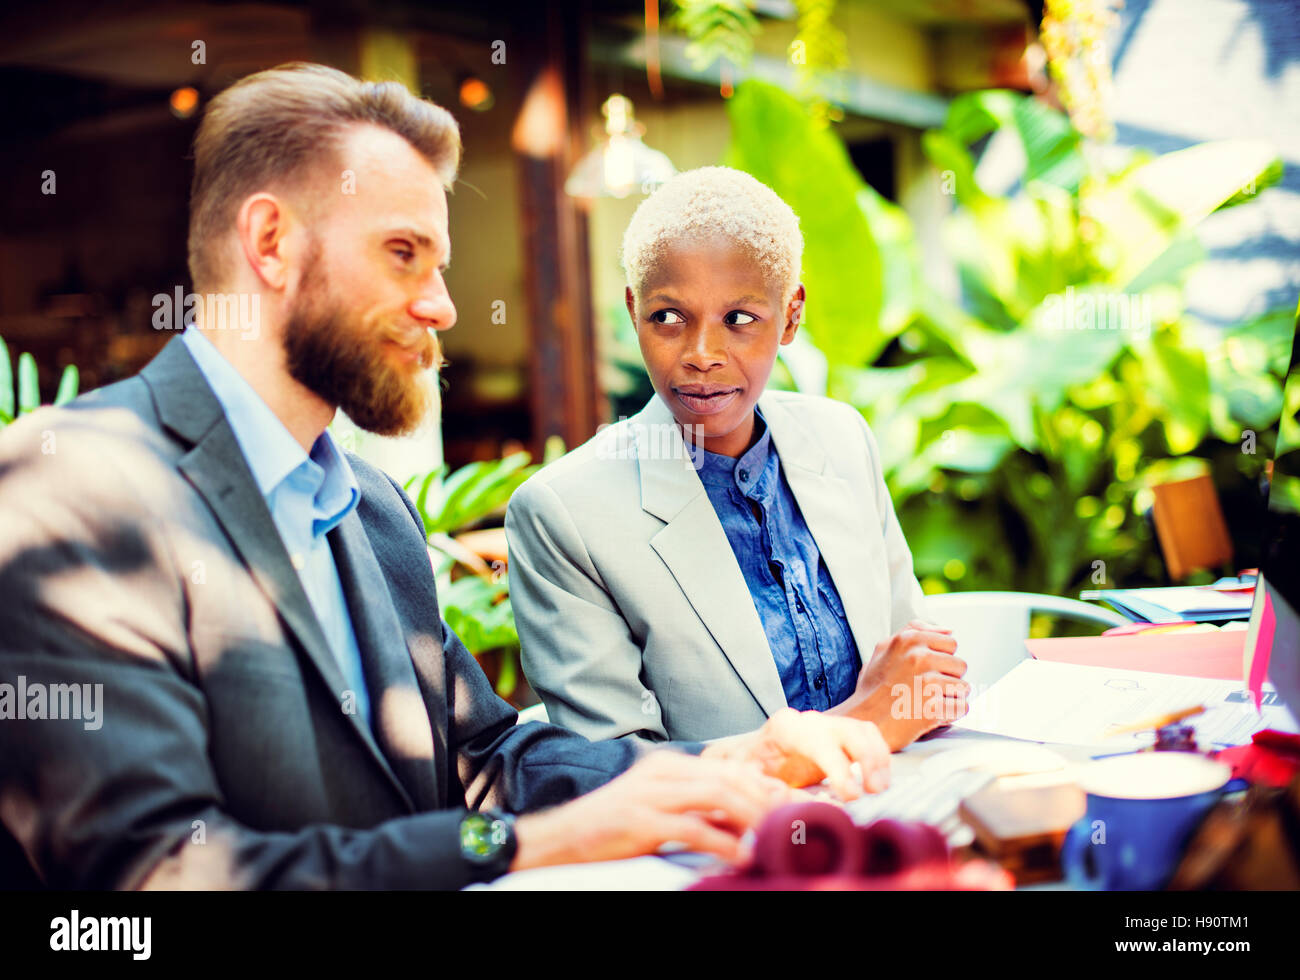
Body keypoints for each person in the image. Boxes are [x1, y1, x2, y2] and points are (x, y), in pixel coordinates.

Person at [0, 66, 893, 891]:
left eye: (441, 264)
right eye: (403, 254)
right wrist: (517, 846)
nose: (443, 306)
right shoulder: (71, 492)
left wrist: (730, 763)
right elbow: (152, 875)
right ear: (271, 243)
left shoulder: (371, 511)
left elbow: (487, 760)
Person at [506, 167, 969, 750]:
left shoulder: (841, 439)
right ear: (633, 311)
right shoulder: (565, 513)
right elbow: (620, 774)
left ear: (791, 316)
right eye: (668, 317)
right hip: (726, 840)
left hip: (898, 799)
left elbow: (915, 668)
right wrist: (867, 722)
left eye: (740, 320)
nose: (702, 355)